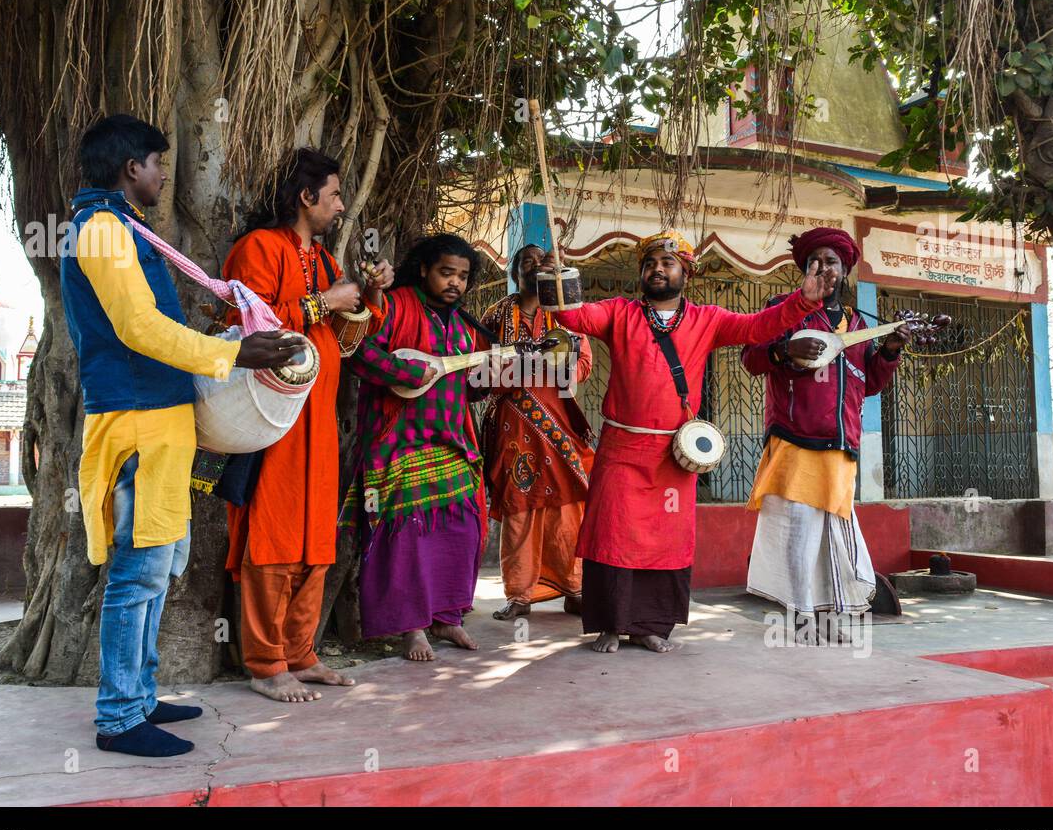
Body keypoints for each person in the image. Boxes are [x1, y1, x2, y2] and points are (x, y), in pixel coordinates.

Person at [61, 114, 302, 756]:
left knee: (159, 566)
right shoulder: (103, 230)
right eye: (157, 164)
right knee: (137, 573)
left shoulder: (120, 228)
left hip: (159, 417)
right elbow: (138, 328)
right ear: (130, 166)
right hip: (137, 417)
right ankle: (118, 718)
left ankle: (139, 695)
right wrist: (233, 356)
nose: (163, 175)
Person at [551, 231, 836, 653]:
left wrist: (805, 301)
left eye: (668, 264)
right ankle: (610, 624)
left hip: (674, 453)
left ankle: (650, 625)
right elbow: (574, 318)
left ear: (687, 272)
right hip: (622, 450)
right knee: (613, 534)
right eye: (650, 264)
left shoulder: (709, 319)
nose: (657, 270)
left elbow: (759, 328)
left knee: (666, 542)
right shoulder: (619, 313)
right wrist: (561, 283)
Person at [222, 147, 394, 703]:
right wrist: (326, 302)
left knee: (316, 539)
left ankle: (301, 654)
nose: (342, 205)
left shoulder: (319, 259)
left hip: (319, 419)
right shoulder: (258, 249)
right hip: (271, 418)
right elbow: (252, 330)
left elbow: (346, 341)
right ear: (306, 196)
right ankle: (265, 662)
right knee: (272, 536)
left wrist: (367, 297)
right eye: (337, 194)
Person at [741, 226, 913, 642]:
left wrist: (889, 352)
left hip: (842, 445)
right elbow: (751, 358)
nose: (824, 268)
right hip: (794, 438)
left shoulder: (856, 323)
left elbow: (868, 383)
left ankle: (832, 616)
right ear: (804, 269)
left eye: (832, 261)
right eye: (815, 261)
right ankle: (798, 616)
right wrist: (784, 351)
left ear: (846, 270)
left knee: (834, 537)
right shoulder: (782, 308)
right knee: (798, 536)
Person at [342, 233, 491, 661]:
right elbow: (354, 349)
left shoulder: (465, 328)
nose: (455, 284)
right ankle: (411, 627)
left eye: (463, 277)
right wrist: (401, 372)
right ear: (424, 269)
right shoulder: (395, 305)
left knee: (463, 528)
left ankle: (447, 618)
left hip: (452, 441)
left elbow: (471, 389)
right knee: (409, 532)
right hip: (398, 442)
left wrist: (493, 374)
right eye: (446, 272)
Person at [479, 244, 594, 620]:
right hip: (514, 427)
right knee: (519, 508)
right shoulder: (495, 314)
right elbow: (478, 369)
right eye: (524, 262)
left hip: (558, 424)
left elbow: (584, 364)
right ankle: (519, 595)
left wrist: (563, 371)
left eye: (539, 262)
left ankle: (574, 588)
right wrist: (518, 370)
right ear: (514, 271)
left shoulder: (566, 316)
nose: (532, 267)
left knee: (567, 510)